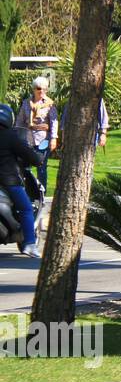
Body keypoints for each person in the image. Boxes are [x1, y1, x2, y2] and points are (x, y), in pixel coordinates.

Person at [0, 104, 41, 257]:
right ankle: (30, 243)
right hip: (8, 181)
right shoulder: (10, 136)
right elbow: (27, 153)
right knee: (26, 209)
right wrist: (38, 159)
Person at [17, 76, 58, 192]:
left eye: (44, 89)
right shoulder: (26, 103)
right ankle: (27, 192)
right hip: (28, 139)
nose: (41, 91)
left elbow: (54, 122)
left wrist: (54, 138)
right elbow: (20, 120)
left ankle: (42, 193)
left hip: (43, 140)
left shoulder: (50, 104)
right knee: (25, 167)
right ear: (34, 89)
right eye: (39, 88)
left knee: (41, 167)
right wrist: (17, 134)